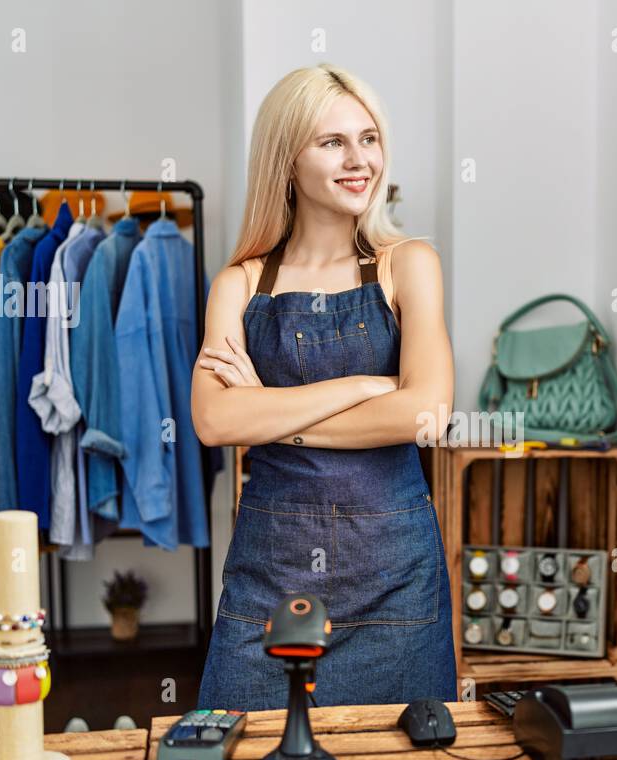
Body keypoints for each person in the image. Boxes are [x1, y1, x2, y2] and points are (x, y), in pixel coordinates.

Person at [193, 64, 457, 712]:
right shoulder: (239, 284)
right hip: (269, 578)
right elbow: (215, 423)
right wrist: (367, 386)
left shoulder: (410, 265)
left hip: (396, 578)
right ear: (287, 160)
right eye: (332, 142)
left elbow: (426, 413)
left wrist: (270, 412)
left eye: (368, 139)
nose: (358, 159)